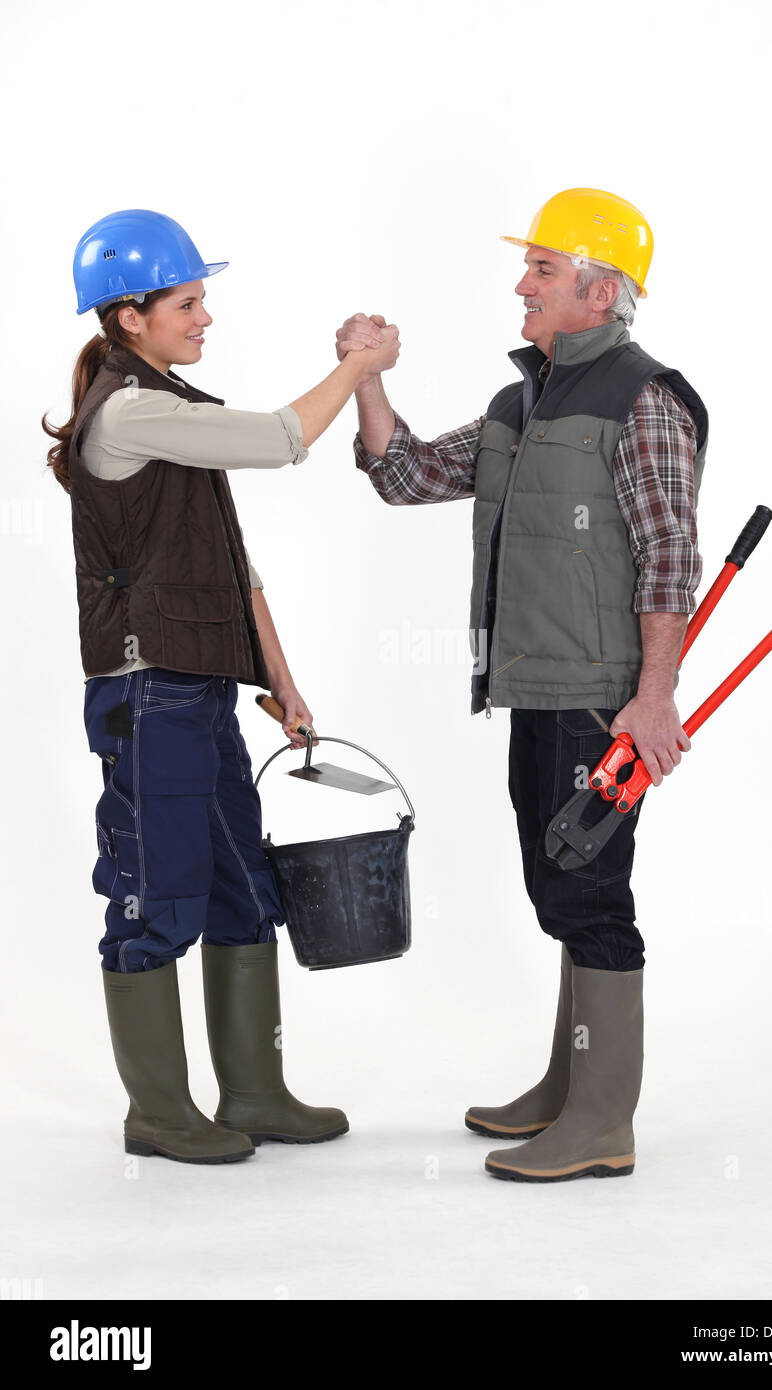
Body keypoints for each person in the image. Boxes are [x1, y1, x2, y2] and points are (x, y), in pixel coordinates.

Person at [340, 188, 709, 1183]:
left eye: (541, 269)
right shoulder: (521, 402)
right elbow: (407, 472)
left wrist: (654, 694)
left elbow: (669, 547)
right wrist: (368, 381)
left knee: (587, 891)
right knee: (558, 883)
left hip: (599, 695)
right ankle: (566, 1087)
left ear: (597, 290)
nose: (521, 282)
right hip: (535, 688)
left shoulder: (642, 396)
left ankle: (600, 1122)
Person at [43, 208, 398, 1164]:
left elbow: (236, 571)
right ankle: (158, 1112)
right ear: (129, 318)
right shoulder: (129, 411)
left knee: (245, 887)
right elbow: (288, 437)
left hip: (201, 689)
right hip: (146, 690)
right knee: (156, 893)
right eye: (189, 303)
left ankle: (253, 1092)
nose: (206, 320)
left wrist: (281, 683)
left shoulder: (179, 412)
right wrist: (360, 366)